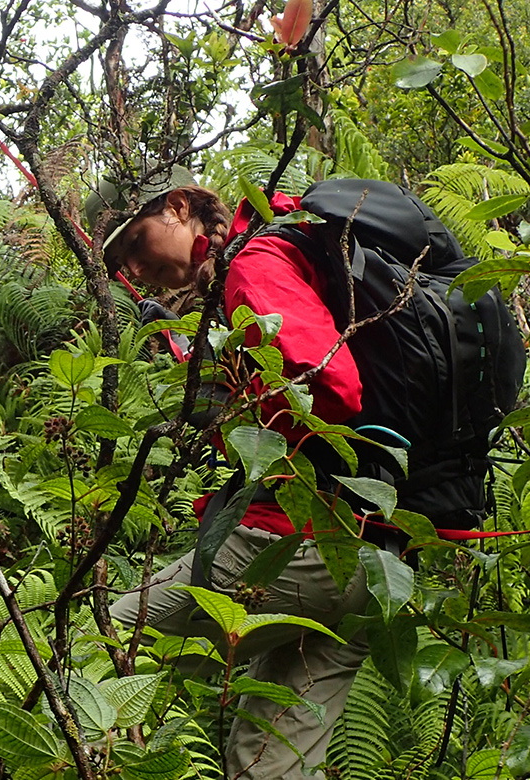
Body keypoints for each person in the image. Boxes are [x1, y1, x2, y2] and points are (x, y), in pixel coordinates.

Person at [93, 172, 370, 779]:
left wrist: (233, 409)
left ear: (177, 207)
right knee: (266, 763)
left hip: (307, 539)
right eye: (123, 266)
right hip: (375, 555)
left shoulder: (253, 265)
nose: (134, 270)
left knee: (97, 640)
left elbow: (334, 391)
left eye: (136, 246)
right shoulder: (257, 261)